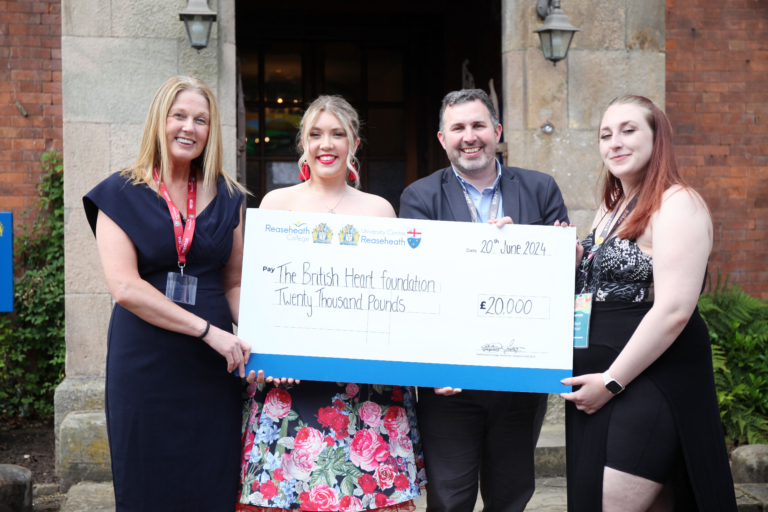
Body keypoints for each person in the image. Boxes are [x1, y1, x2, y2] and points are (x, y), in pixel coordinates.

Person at [238, 95, 427, 512]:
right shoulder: (276, 204)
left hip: (365, 387)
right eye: (316, 134)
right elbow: (261, 295)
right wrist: (276, 357)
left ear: (354, 143)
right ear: (303, 144)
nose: (327, 144)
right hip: (291, 385)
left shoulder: (380, 211)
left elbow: (393, 298)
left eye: (338, 134)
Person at [561, 95, 737, 511]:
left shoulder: (679, 203)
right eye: (606, 135)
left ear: (657, 138)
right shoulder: (610, 209)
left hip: (647, 382)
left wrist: (611, 381)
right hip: (603, 386)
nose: (614, 143)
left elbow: (674, 310)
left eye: (628, 130)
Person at [83, 76, 251, 510]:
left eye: (201, 119)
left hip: (213, 370)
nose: (189, 128)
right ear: (160, 120)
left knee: (211, 480)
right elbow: (125, 288)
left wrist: (261, 337)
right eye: (179, 116)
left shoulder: (229, 195)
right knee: (147, 481)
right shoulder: (119, 192)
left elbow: (233, 282)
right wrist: (208, 331)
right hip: (146, 364)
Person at [398, 89, 569, 512]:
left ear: (497, 131)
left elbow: (562, 277)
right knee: (450, 499)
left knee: (510, 497)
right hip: (450, 384)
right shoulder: (419, 198)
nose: (469, 137)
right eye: (458, 128)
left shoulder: (541, 189)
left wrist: (529, 249)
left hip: (519, 378)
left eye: (478, 126)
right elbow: (417, 288)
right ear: (443, 138)